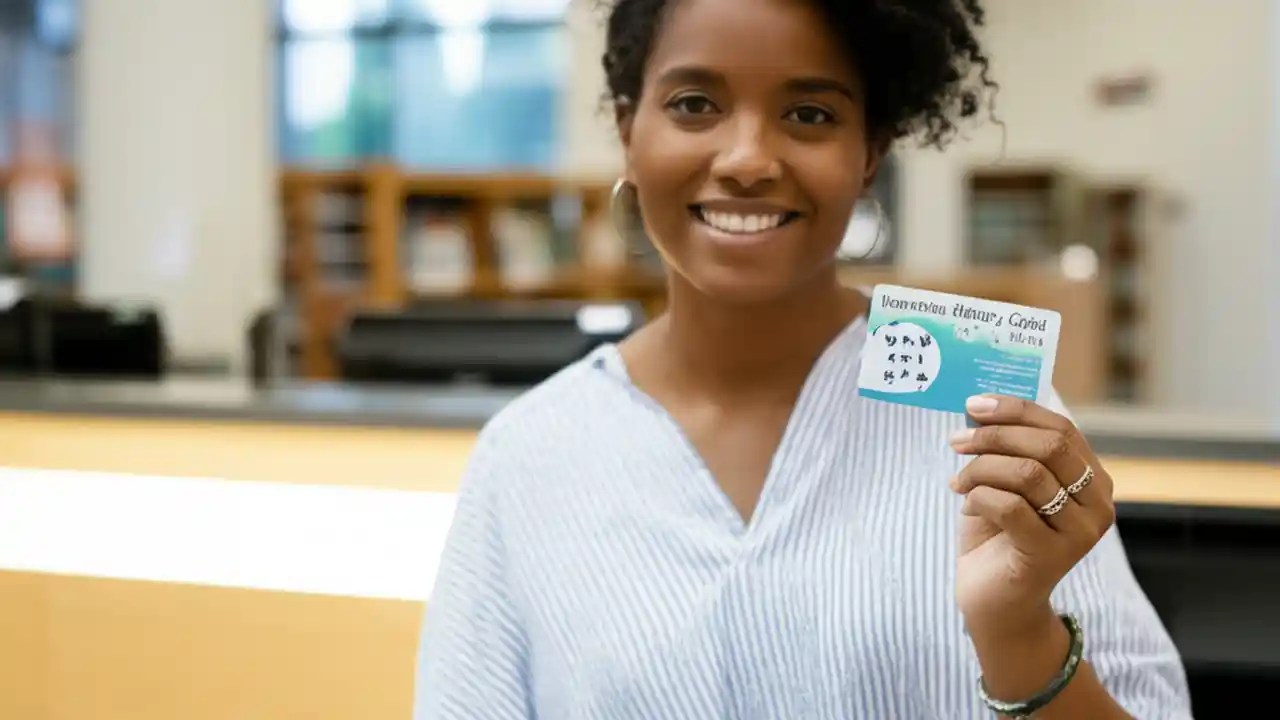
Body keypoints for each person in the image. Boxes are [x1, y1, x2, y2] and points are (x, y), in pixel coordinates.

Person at [414, 0, 1192, 717]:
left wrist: (1018, 631)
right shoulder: (528, 456)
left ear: (868, 154)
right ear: (629, 130)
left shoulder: (984, 404)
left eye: (809, 113)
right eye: (694, 105)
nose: (748, 159)